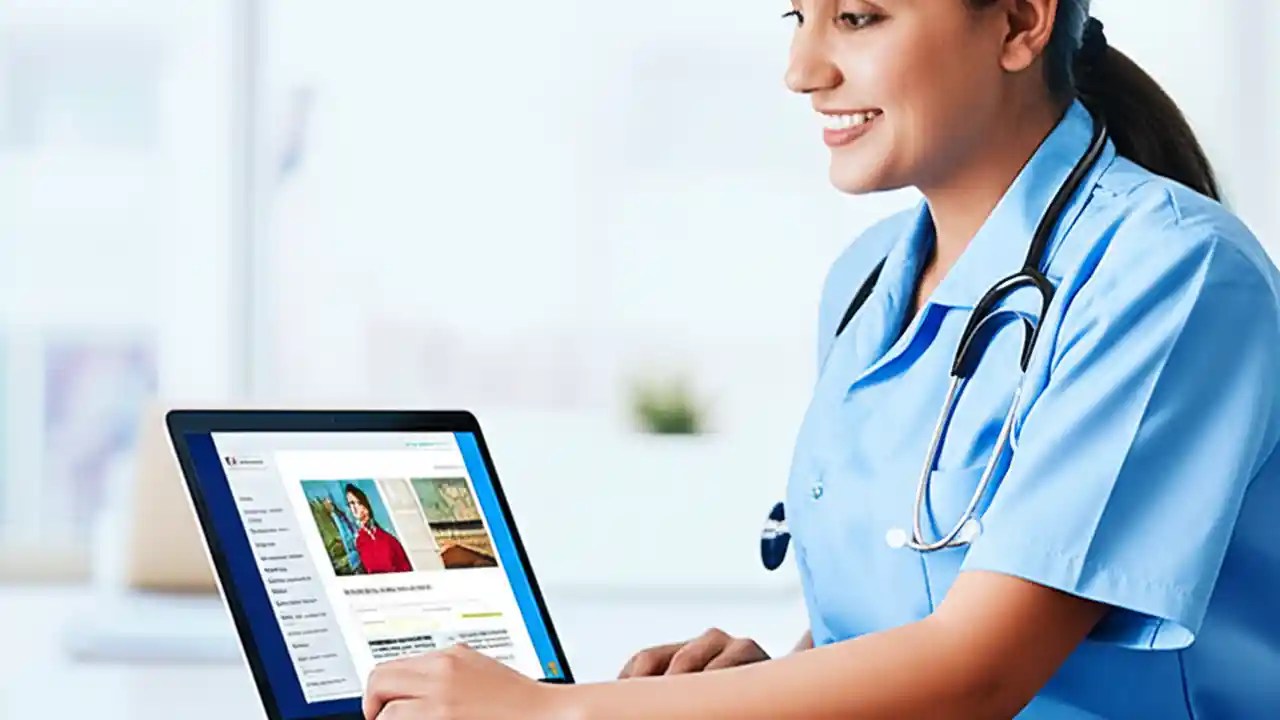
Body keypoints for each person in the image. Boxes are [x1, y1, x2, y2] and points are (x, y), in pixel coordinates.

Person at [361, 1, 1280, 717]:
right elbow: (910, 603)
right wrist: (762, 683)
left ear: (1017, 23)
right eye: (798, 19)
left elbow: (979, 670)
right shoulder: (867, 279)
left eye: (858, 18)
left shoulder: (1172, 272)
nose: (803, 70)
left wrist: (562, 714)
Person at [346, 484, 413, 574]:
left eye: (357, 503)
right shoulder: (359, 541)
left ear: (365, 505)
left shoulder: (388, 539)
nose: (354, 508)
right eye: (351, 504)